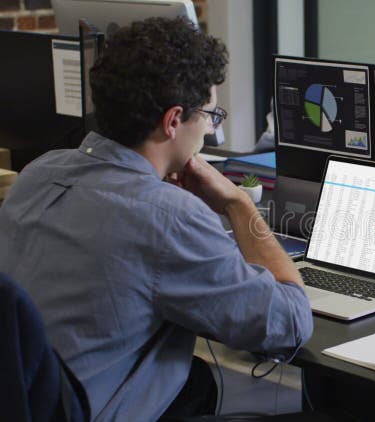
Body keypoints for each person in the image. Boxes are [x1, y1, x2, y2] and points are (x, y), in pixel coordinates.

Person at [0, 16, 312, 421]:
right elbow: (291, 320)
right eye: (210, 116)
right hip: (90, 409)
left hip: (37, 400)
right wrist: (238, 204)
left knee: (196, 379)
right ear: (172, 121)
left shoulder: (38, 174)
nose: (210, 133)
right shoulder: (170, 217)